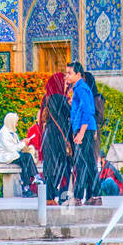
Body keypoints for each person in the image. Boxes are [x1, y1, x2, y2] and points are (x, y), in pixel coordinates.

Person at [65, 61, 100, 205]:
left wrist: (81, 132)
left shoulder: (80, 88)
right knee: (89, 163)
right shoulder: (79, 88)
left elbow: (88, 110)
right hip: (84, 129)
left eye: (69, 73)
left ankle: (78, 197)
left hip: (84, 129)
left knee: (81, 163)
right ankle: (95, 196)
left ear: (78, 74)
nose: (66, 76)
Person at [38, 73, 72, 204]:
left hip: (49, 136)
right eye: (63, 82)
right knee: (65, 167)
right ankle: (63, 196)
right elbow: (71, 113)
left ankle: (50, 197)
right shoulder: (60, 98)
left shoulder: (46, 98)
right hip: (58, 136)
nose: (66, 84)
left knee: (51, 167)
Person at [0, 112, 41, 195]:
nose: (16, 125)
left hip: (12, 155)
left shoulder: (13, 133)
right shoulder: (4, 133)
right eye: (16, 122)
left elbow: (16, 146)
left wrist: (22, 143)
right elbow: (11, 148)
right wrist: (23, 143)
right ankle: (33, 178)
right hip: (5, 156)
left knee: (25, 159)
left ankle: (27, 185)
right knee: (25, 158)